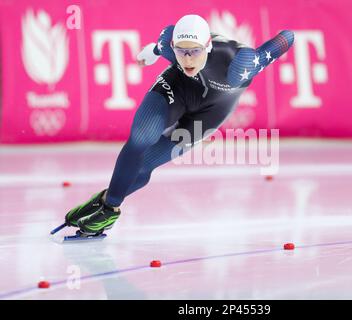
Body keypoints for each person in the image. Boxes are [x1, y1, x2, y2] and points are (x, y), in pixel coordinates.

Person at [64, 14, 294, 237]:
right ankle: (109, 207)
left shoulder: (240, 65)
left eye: (195, 52)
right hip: (177, 87)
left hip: (210, 112)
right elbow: (161, 46)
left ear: (208, 47)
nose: (187, 59)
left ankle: (106, 202)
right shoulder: (168, 41)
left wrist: (285, 38)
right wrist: (152, 53)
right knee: (141, 137)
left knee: (145, 165)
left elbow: (287, 37)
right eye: (181, 52)